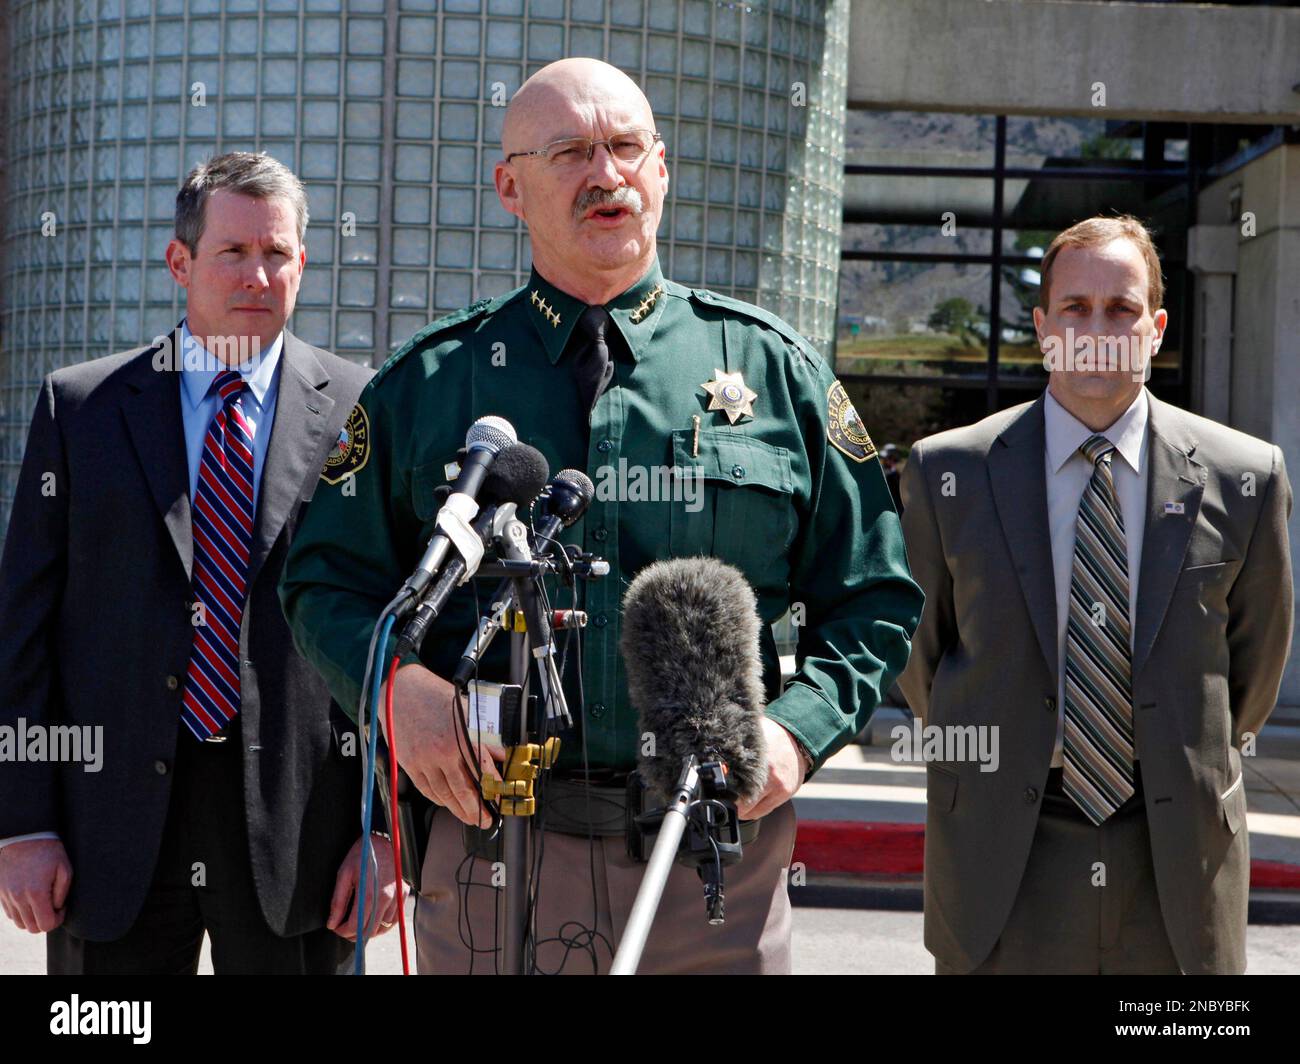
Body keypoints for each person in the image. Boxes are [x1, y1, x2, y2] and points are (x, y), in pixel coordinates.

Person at [280, 58, 922, 975]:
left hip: (713, 871)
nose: (606, 174)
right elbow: (322, 582)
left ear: (661, 170)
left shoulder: (776, 373)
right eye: (572, 152)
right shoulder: (429, 384)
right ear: (511, 185)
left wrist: (797, 733)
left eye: (625, 148)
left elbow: (874, 595)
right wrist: (398, 692)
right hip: (490, 860)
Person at [0, 152, 400, 974]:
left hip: (304, 838)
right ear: (181, 262)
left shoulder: (364, 410)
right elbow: (22, 634)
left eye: (277, 254)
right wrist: (22, 823)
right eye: (232, 252)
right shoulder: (82, 409)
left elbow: (393, 627)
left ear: (303, 264)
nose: (258, 275)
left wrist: (388, 831)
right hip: (107, 829)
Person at [898, 214, 1293, 974]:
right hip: (1003, 856)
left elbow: (1254, 665)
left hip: (1175, 856)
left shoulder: (1247, 476)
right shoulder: (951, 472)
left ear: (1156, 328)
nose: (1097, 328)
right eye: (1075, 308)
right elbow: (923, 660)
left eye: (1122, 308)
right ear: (1043, 326)